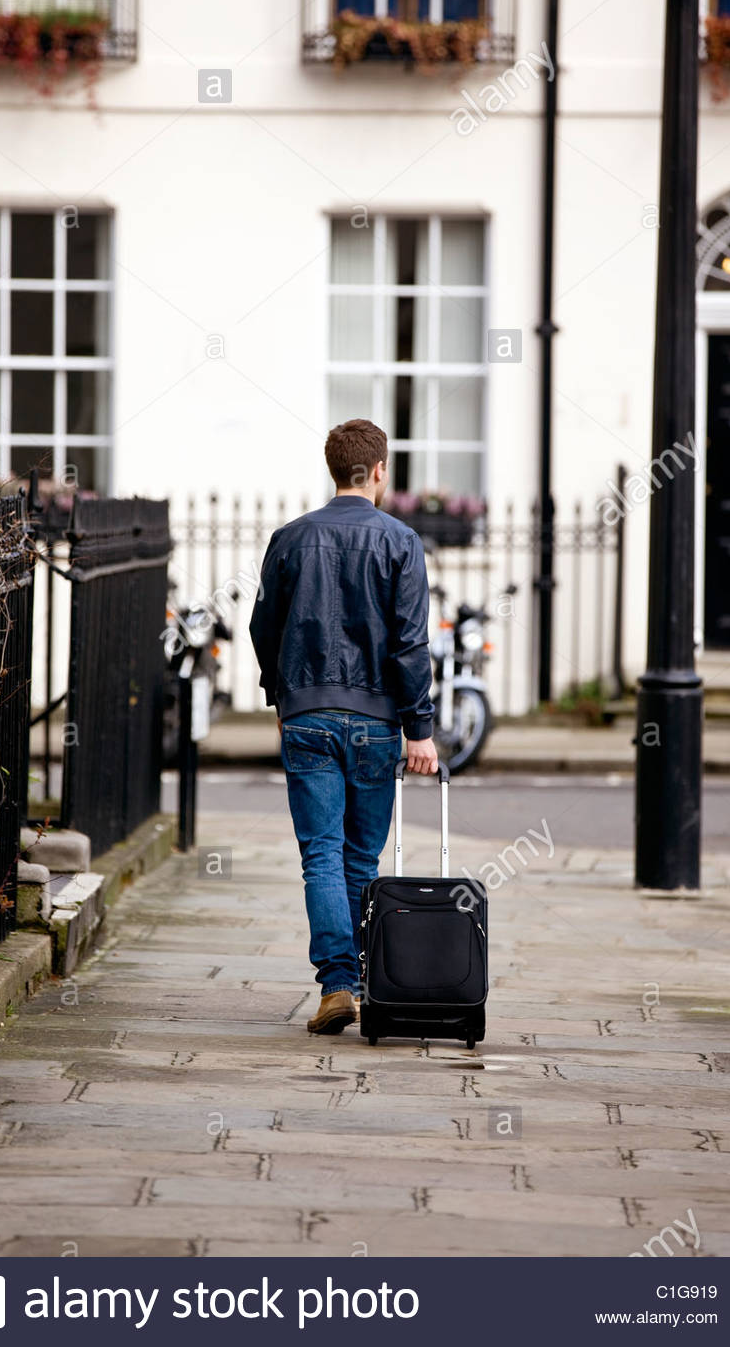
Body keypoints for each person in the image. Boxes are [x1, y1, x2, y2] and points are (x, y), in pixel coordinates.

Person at [249, 419, 438, 1036]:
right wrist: (421, 728)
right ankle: (357, 981)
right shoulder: (401, 542)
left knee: (320, 856)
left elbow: (262, 627)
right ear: (379, 470)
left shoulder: (290, 539)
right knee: (361, 856)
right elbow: (410, 644)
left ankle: (336, 984)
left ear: (333, 470)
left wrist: (284, 697)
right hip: (378, 721)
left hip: (306, 714)